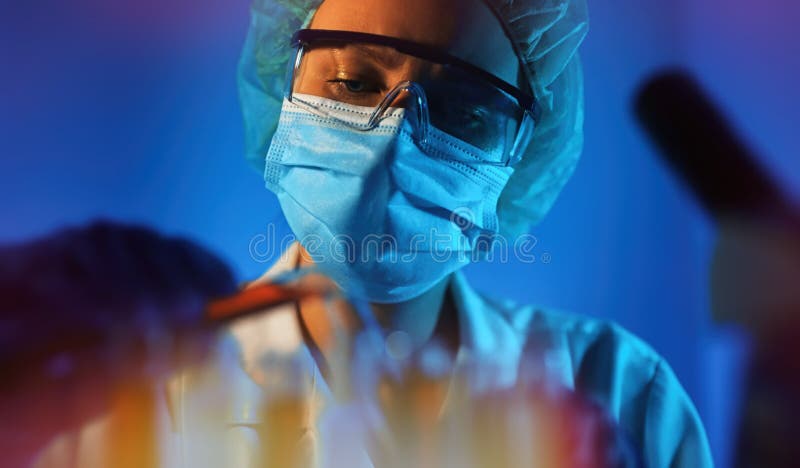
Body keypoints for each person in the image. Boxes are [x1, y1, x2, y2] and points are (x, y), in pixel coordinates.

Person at [2, 0, 713, 466]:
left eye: (464, 113)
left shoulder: (619, 395)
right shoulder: (131, 385)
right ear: (285, 85)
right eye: (354, 82)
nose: (396, 139)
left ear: (521, 156)